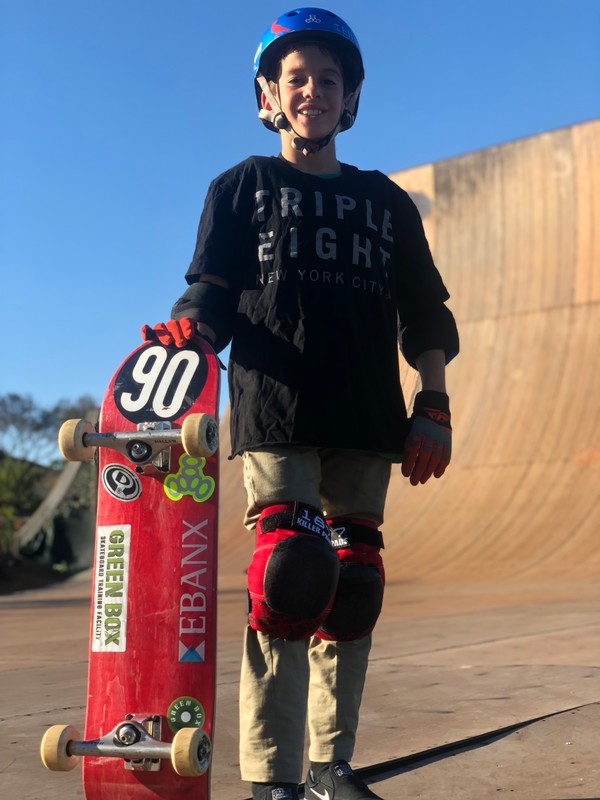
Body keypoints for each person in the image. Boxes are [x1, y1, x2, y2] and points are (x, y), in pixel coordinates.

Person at [145, 7, 459, 799]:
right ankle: (271, 777)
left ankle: (329, 765)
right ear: (269, 96)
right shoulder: (241, 187)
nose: (312, 90)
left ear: (349, 97)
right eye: (297, 79)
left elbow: (427, 317)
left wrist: (434, 403)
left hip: (364, 416)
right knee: (289, 577)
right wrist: (188, 333)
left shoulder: (387, 204)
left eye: (328, 79)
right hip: (276, 411)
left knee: (353, 588)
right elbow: (209, 297)